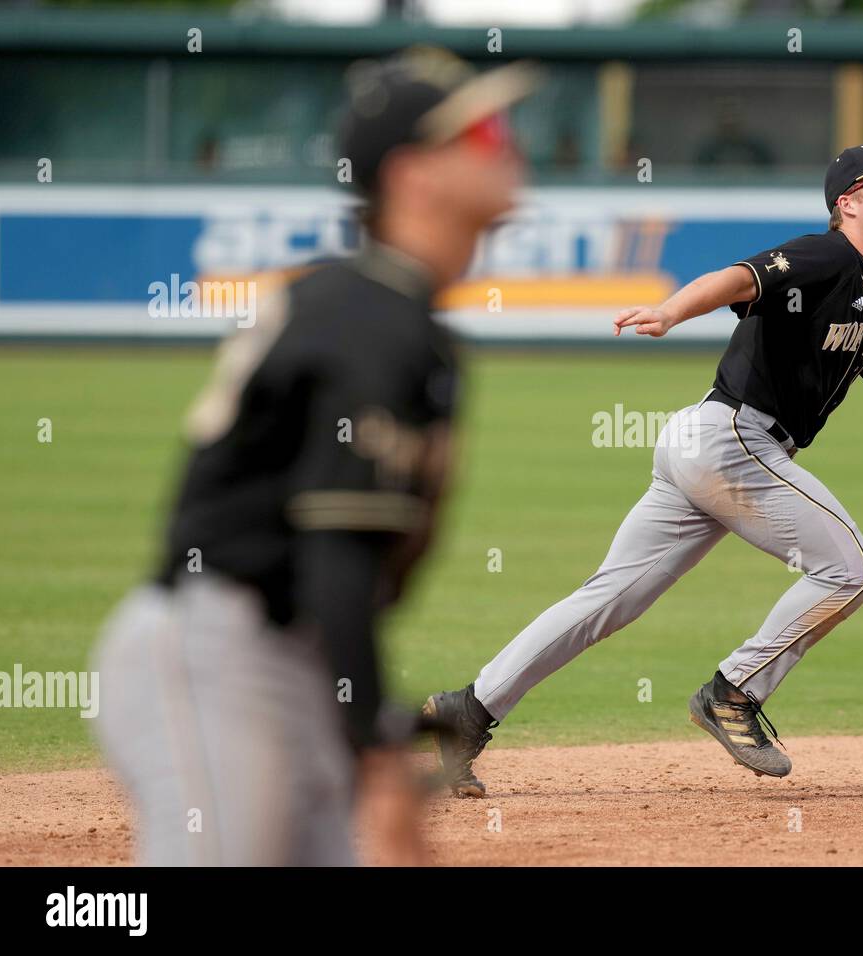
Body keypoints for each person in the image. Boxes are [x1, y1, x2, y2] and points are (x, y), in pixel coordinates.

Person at [423, 143, 863, 797]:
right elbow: (741, 277)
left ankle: (465, 713)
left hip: (708, 447)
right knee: (852, 570)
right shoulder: (826, 257)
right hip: (732, 439)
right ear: (847, 204)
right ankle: (733, 691)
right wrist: (673, 311)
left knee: (607, 601)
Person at [92, 47, 535, 864]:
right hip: (218, 651)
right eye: (477, 133)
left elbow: (352, 573)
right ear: (415, 176)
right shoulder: (369, 321)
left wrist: (365, 717)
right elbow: (337, 557)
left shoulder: (400, 320)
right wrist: (375, 758)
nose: (506, 147)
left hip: (290, 654)